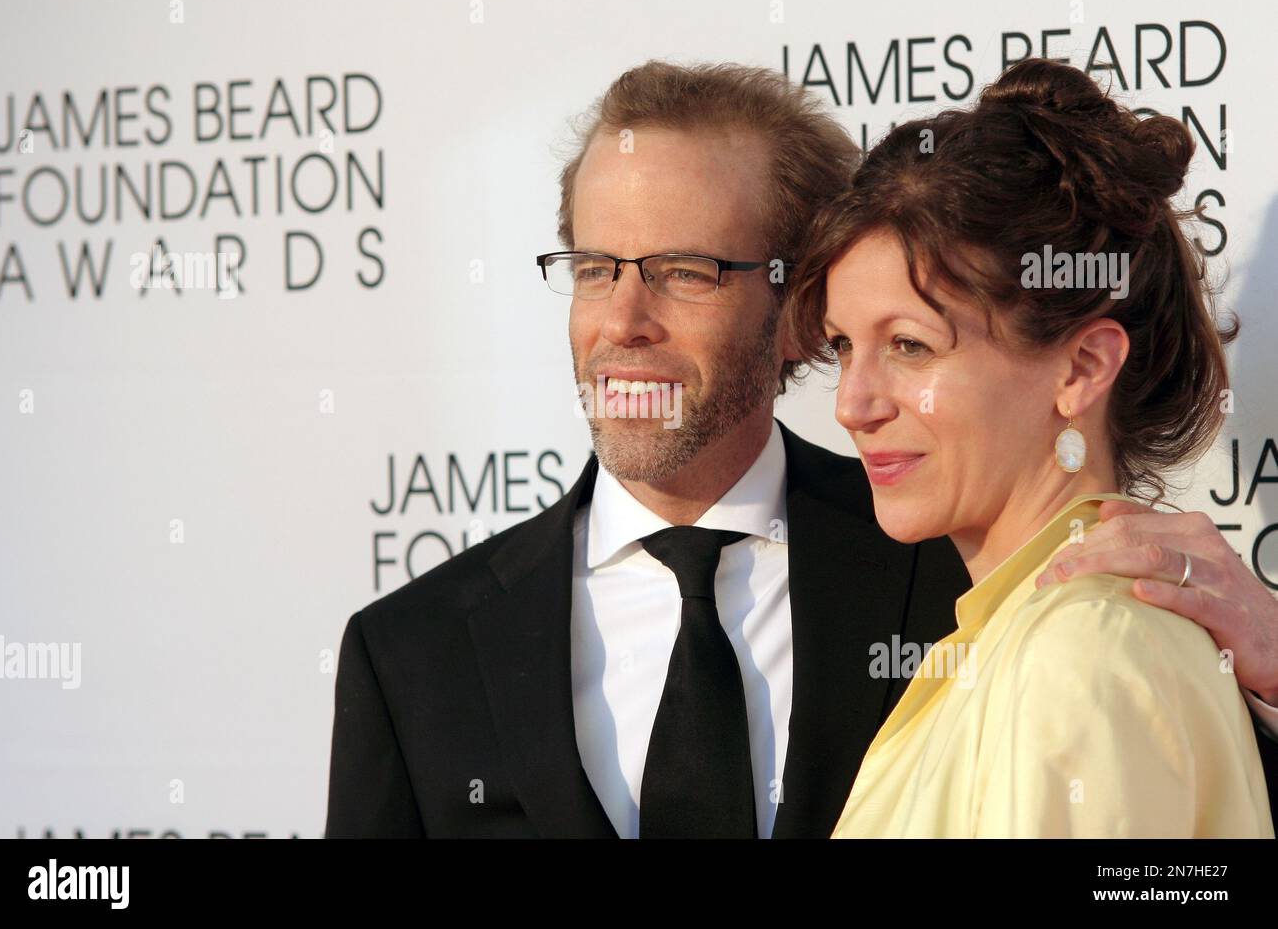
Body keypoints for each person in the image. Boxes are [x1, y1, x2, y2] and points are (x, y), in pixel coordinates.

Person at [325, 59, 1278, 838]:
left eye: (684, 271)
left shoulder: (987, 584)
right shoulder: (412, 655)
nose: (622, 319)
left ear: (794, 312)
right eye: (593, 268)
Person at [783, 57, 1273, 836]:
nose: (852, 405)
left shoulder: (1080, 655)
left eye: (910, 346)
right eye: (843, 345)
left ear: (1081, 368)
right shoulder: (1023, 636)